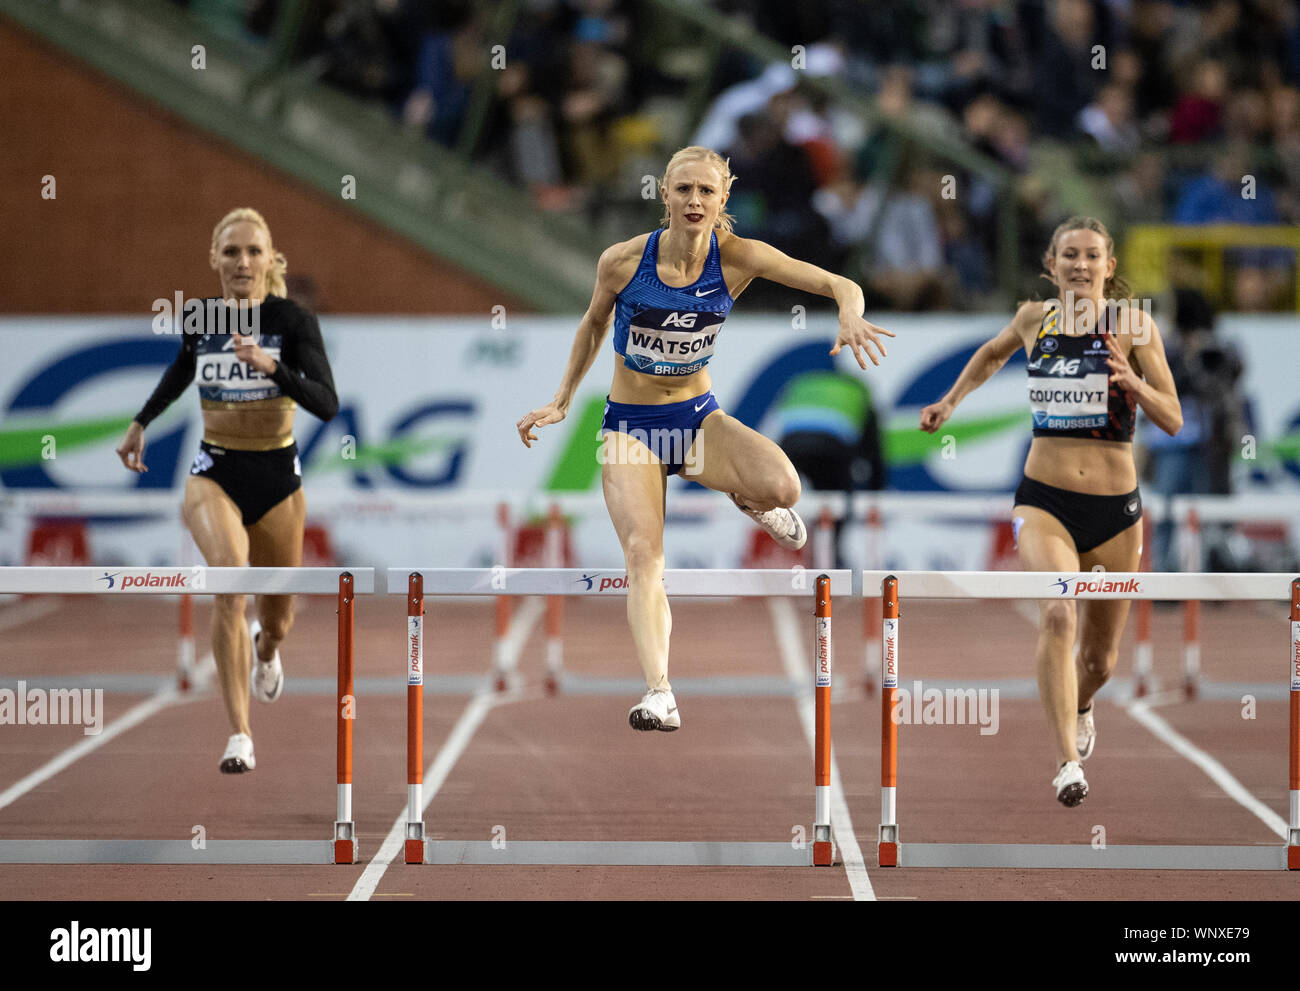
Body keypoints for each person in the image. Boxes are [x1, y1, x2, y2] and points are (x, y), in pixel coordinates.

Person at [517, 145, 893, 732]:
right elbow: (593, 322)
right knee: (645, 555)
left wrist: (849, 310)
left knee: (785, 488)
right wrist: (562, 399)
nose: (695, 201)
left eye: (706, 192)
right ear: (664, 194)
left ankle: (750, 499)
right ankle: (660, 692)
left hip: (696, 420)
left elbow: (839, 282)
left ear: (724, 199)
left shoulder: (739, 257)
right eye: (684, 190)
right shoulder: (622, 262)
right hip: (630, 430)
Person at [920, 216, 1182, 807]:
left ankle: (1083, 703)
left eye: (1092, 255)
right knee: (1058, 614)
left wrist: (1132, 383)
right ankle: (1067, 762)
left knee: (1100, 659)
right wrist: (950, 401)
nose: (1081, 265)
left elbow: (1174, 418)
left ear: (1109, 267)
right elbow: (990, 355)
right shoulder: (1033, 318)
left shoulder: (1135, 326)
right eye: (1070, 255)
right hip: (1044, 499)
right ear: (1051, 263)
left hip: (1117, 511)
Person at [116, 208, 339, 774]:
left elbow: (325, 402)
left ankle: (266, 649)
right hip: (213, 472)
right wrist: (141, 421)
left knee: (277, 620)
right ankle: (240, 733)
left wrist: (271, 366)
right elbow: (182, 371)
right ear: (215, 259)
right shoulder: (200, 316)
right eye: (232, 252)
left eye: (253, 252)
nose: (243, 262)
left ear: (269, 260)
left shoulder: (292, 321)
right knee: (228, 582)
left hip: (278, 479)